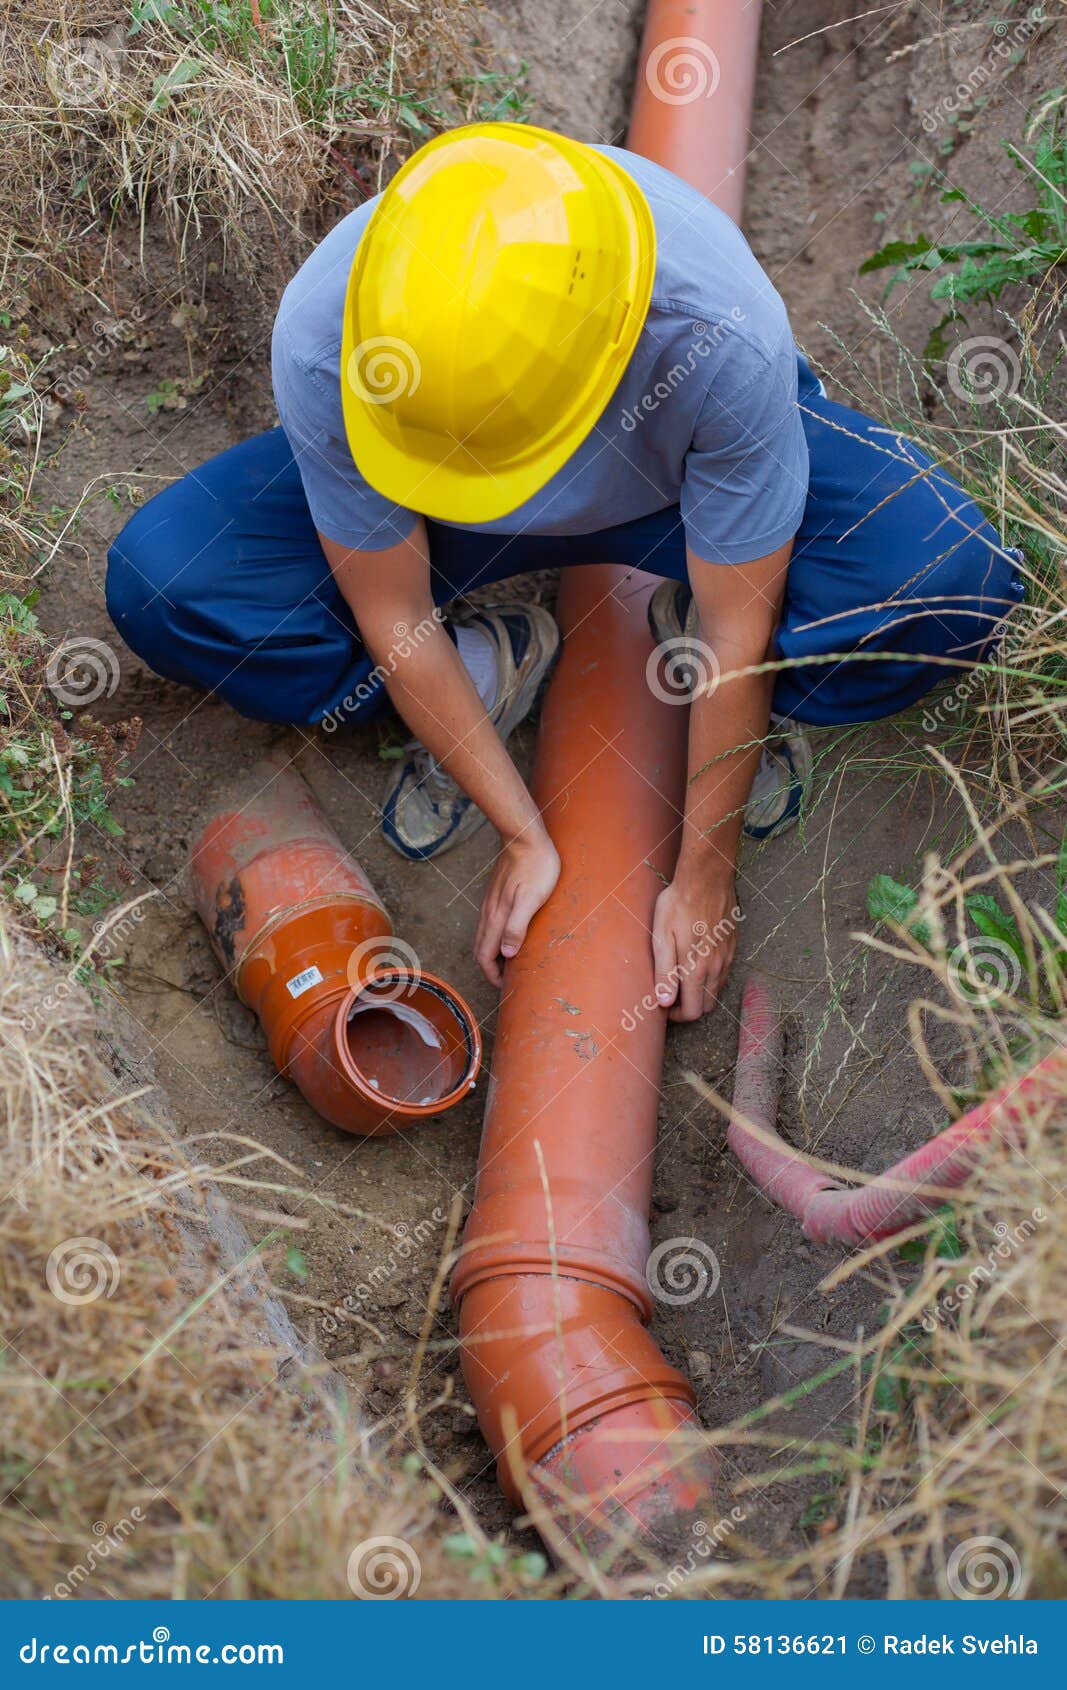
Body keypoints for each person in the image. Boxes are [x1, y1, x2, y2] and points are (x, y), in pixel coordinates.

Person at [106, 123, 1022, 1021]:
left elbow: (739, 621)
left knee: (949, 581)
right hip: (438, 515)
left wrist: (703, 876)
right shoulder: (333, 334)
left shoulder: (712, 327)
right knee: (170, 584)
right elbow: (390, 605)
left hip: (675, 494)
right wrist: (521, 828)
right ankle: (479, 668)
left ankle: (715, 660)